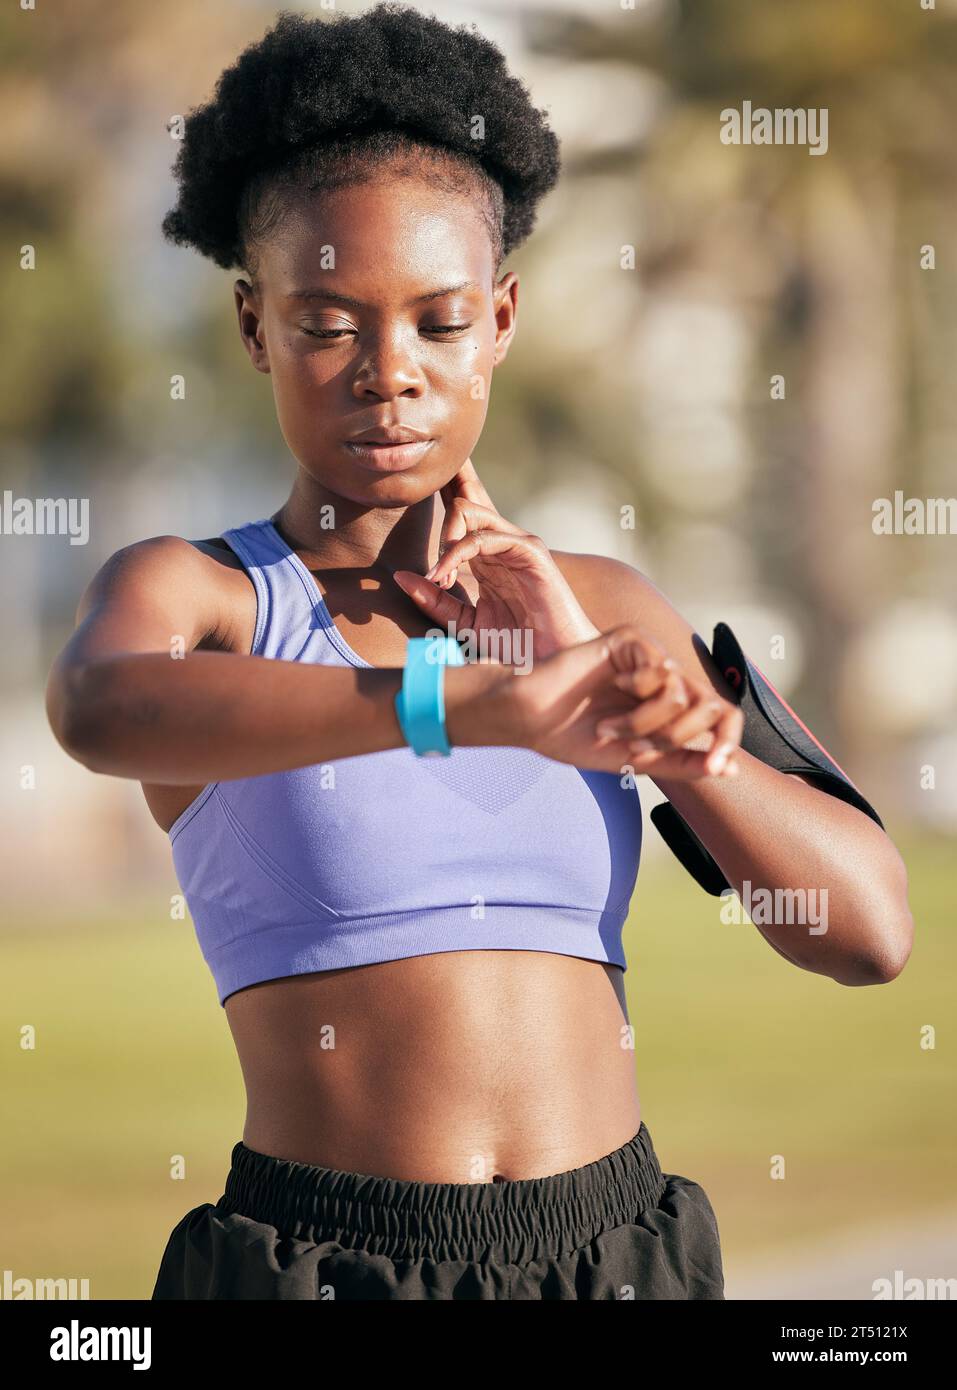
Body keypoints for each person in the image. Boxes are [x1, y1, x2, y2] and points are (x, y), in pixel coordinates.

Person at [45, 4, 913, 1301]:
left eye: (438, 323)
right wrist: (471, 701)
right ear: (251, 324)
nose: (387, 374)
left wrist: (664, 738)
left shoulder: (598, 605)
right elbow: (102, 710)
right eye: (328, 322)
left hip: (618, 1253)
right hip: (327, 1262)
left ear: (498, 320)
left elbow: (867, 932)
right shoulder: (204, 593)